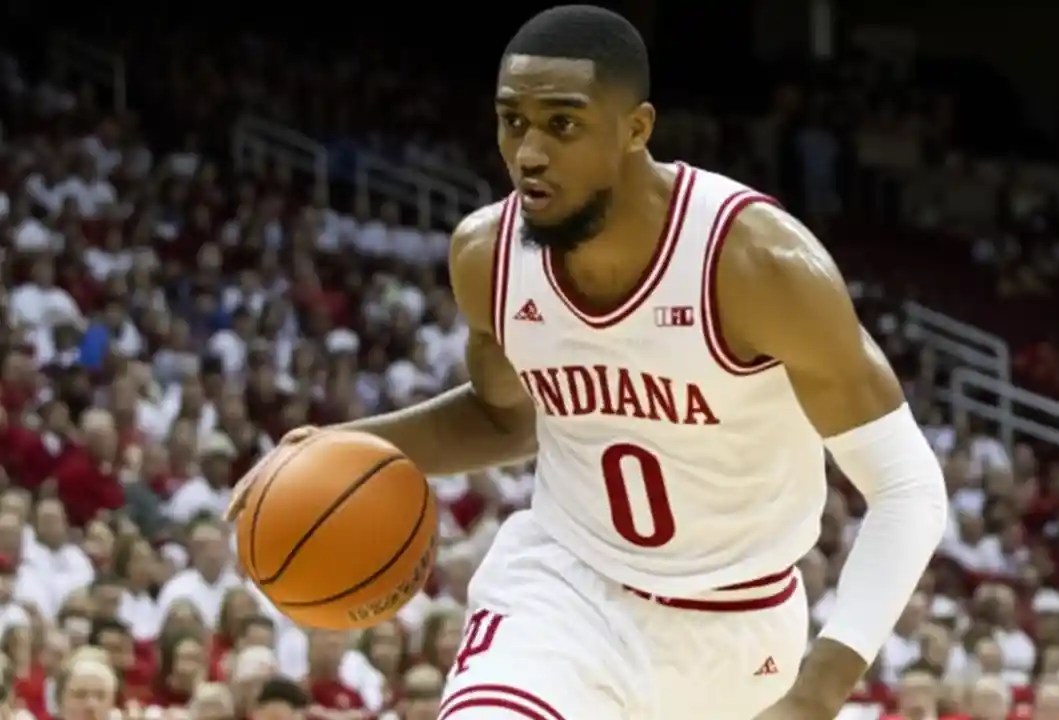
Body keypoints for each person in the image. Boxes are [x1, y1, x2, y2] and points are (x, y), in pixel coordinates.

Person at [226, 5, 947, 719]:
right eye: (513, 121)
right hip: (565, 593)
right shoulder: (487, 257)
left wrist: (816, 693)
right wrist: (350, 445)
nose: (529, 152)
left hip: (739, 626)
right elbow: (504, 418)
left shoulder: (754, 262)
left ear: (636, 129)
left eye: (562, 123)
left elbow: (907, 487)